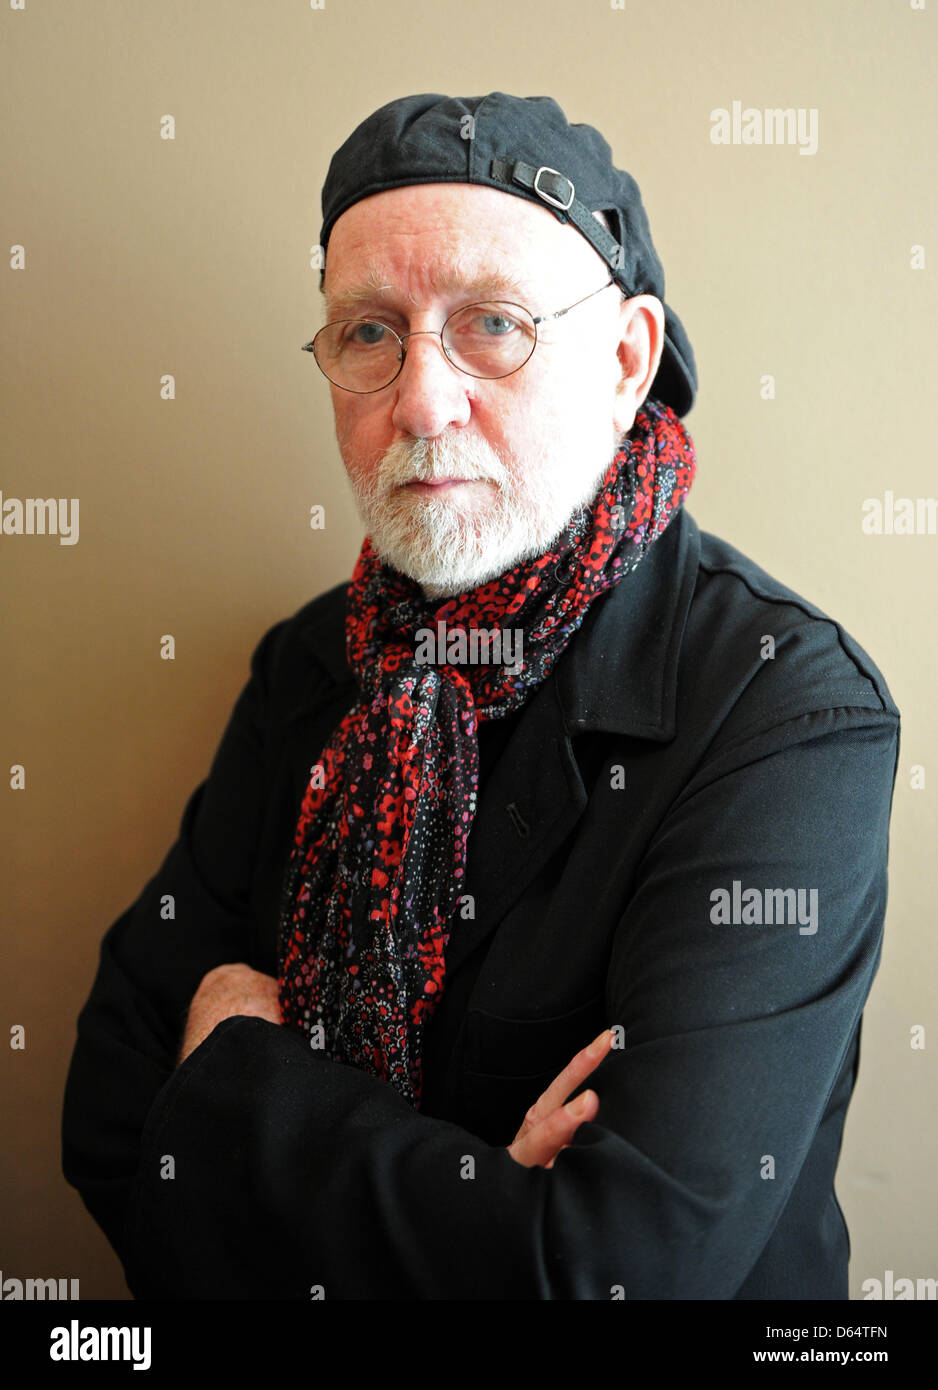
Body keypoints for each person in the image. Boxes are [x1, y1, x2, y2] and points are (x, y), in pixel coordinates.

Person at [62, 92, 900, 1300]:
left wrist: (242, 1073)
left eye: (492, 325)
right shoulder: (313, 663)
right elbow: (106, 1117)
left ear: (625, 361)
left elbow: (617, 1271)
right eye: (367, 333)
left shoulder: (781, 709)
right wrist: (484, 1191)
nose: (419, 400)